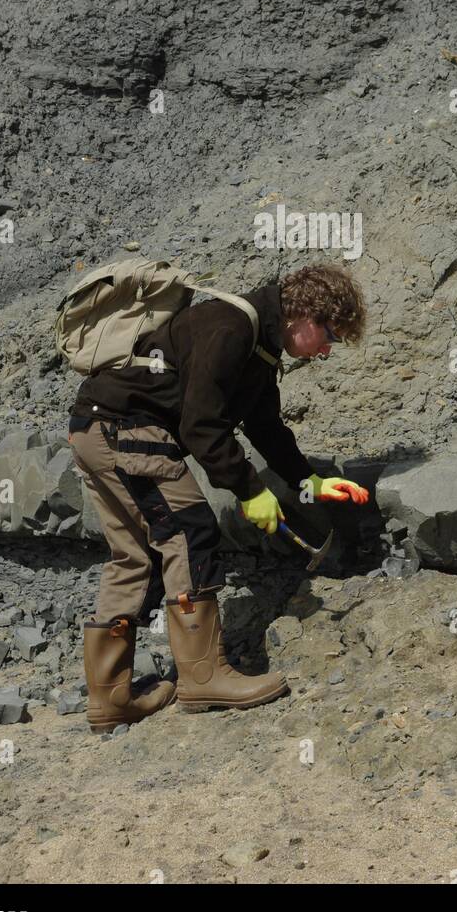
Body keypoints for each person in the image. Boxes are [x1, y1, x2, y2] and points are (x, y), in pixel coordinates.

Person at [68, 261, 369, 732]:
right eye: (328, 335)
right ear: (304, 315)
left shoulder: (259, 346)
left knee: (135, 557)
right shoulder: (231, 327)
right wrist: (250, 491)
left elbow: (265, 426)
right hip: (125, 430)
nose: (327, 350)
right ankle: (204, 677)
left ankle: (112, 699)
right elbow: (201, 426)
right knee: (191, 532)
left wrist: (308, 481)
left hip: (95, 430)